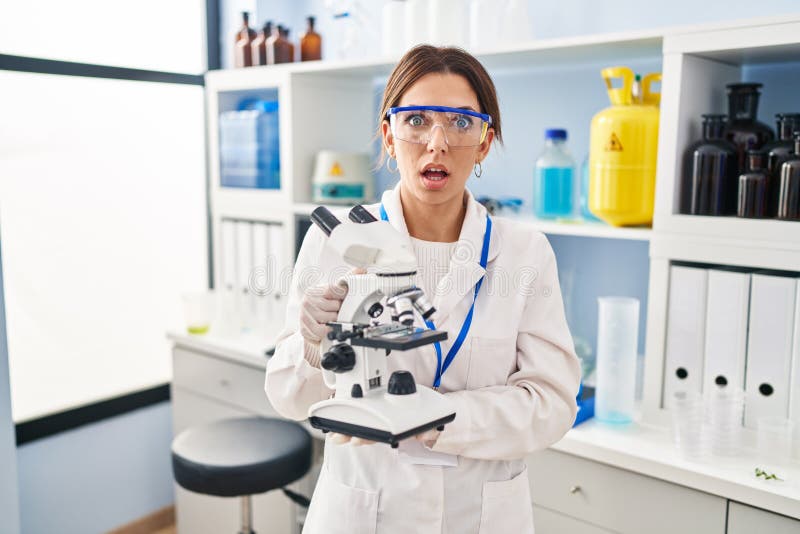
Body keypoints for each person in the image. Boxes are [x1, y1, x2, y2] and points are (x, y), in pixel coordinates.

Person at [266, 45, 581, 534]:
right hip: (363, 511)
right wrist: (311, 346)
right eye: (415, 120)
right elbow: (288, 398)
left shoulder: (524, 253)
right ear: (389, 137)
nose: (437, 142)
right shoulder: (338, 240)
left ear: (483, 142)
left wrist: (441, 418)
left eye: (460, 122)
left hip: (479, 514)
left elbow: (553, 403)